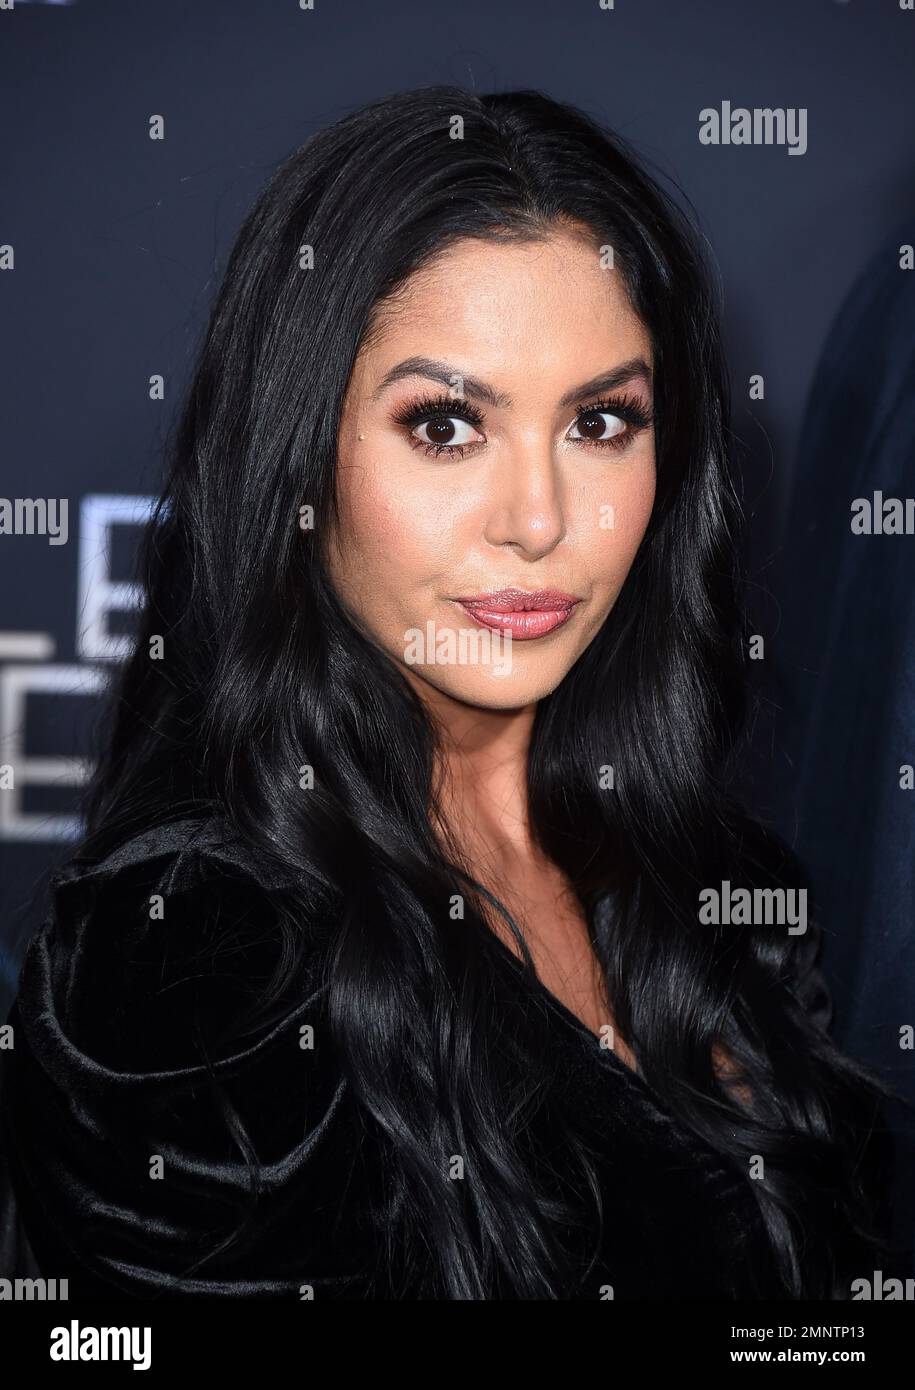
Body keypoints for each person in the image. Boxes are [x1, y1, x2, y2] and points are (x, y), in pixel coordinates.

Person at [0, 85, 905, 1300]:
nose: (538, 520)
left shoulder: (721, 883)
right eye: (445, 425)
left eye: (601, 421)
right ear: (296, 457)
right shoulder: (190, 958)